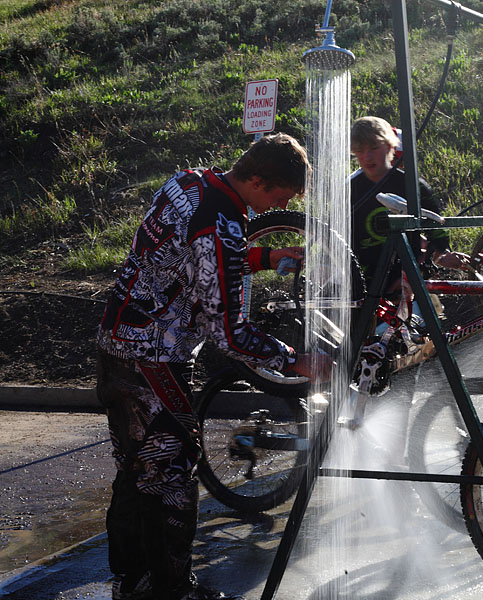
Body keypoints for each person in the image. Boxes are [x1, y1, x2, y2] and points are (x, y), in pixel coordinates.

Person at [95, 133, 331, 600]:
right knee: (172, 471)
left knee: (137, 470)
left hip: (116, 344)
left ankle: (132, 582)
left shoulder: (190, 182)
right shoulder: (221, 221)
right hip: (152, 358)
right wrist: (295, 360)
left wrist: (265, 256)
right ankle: (173, 590)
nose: (279, 207)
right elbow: (229, 334)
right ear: (257, 179)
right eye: (280, 196)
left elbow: (196, 257)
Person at [349, 116, 469, 297]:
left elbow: (437, 230)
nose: (367, 157)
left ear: (390, 146)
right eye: (360, 150)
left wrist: (442, 254)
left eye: (374, 148)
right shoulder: (350, 190)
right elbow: (335, 237)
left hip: (407, 278)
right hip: (362, 282)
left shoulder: (414, 186)